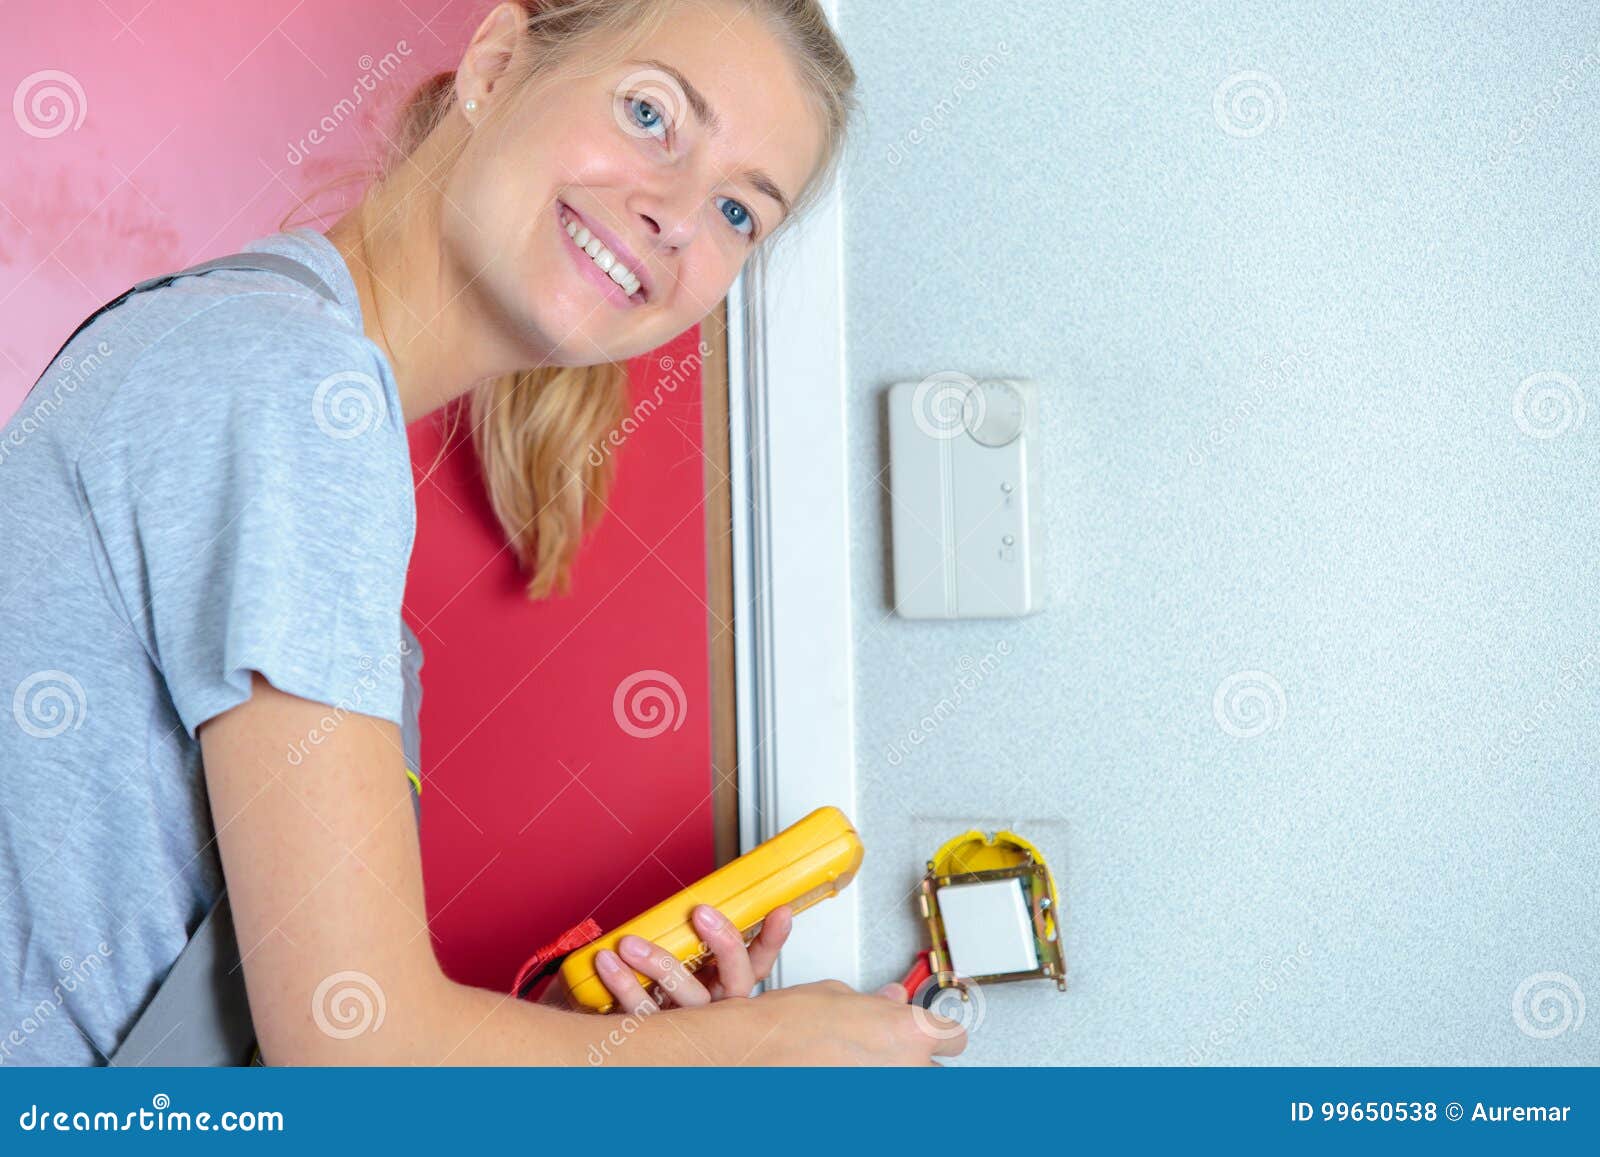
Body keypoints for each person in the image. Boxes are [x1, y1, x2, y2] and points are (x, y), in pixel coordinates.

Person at [0, 0, 965, 1065]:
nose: (681, 214)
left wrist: (564, 1038)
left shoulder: (259, 354)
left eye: (740, 212)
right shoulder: (289, 386)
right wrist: (757, 1050)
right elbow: (355, 1050)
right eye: (651, 114)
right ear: (497, 66)